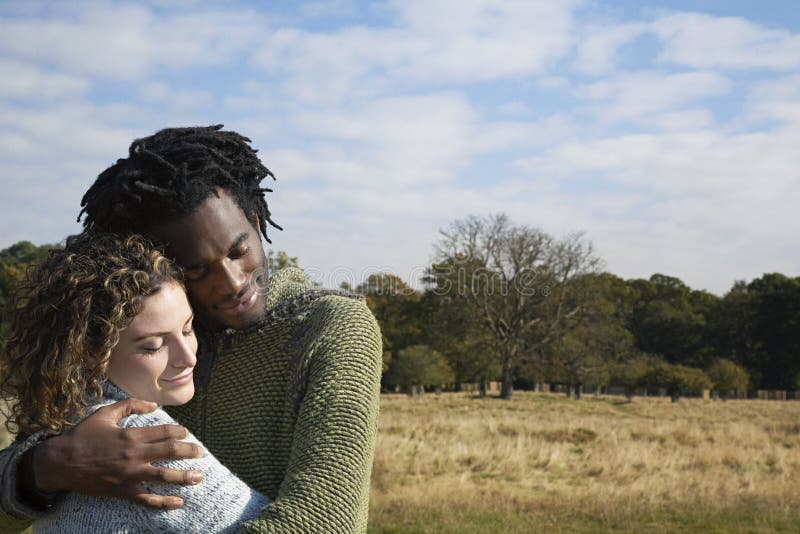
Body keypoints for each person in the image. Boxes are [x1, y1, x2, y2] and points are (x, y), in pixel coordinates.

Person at [0, 125, 382, 533]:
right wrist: (53, 466)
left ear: (254, 219)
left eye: (239, 250)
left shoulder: (331, 328)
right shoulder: (127, 337)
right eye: (196, 269)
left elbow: (326, 523)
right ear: (159, 265)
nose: (233, 283)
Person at [1, 232, 269, 532]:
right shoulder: (144, 443)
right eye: (153, 346)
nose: (188, 357)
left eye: (188, 329)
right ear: (92, 352)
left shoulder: (64, 421)